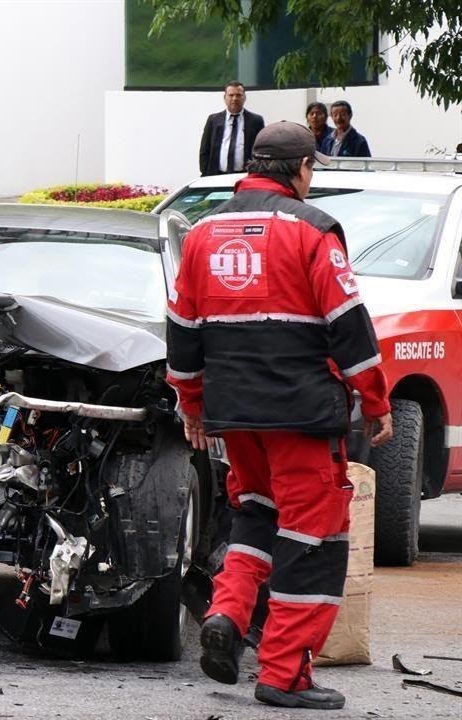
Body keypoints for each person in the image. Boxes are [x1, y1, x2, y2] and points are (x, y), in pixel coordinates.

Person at [166, 122, 393, 710]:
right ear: (300, 170)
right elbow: (348, 325)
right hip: (301, 416)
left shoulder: (202, 233)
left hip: (234, 417)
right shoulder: (314, 231)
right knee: (312, 537)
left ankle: (228, 616)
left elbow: (183, 333)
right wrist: (376, 401)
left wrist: (192, 406)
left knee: (257, 519)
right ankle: (284, 674)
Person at [199, 81, 266, 176]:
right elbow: (204, 150)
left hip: (245, 176)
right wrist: (205, 172)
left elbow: (261, 150)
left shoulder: (256, 121)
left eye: (238, 95)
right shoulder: (213, 120)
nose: (234, 98)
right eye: (231, 95)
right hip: (217, 175)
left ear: (244, 97)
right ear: (224, 97)